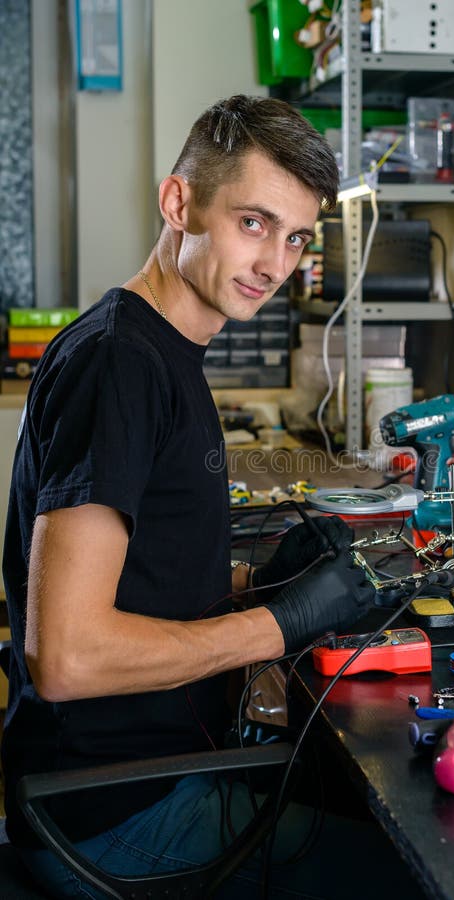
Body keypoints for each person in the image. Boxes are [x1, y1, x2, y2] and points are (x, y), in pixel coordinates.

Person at [1, 95, 380, 899]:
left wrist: (263, 581)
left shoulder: (162, 350)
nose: (274, 264)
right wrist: (280, 623)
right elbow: (65, 656)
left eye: (295, 237)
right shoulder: (120, 365)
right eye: (254, 223)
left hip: (152, 776)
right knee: (410, 870)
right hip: (111, 816)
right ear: (180, 203)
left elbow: (142, 574)